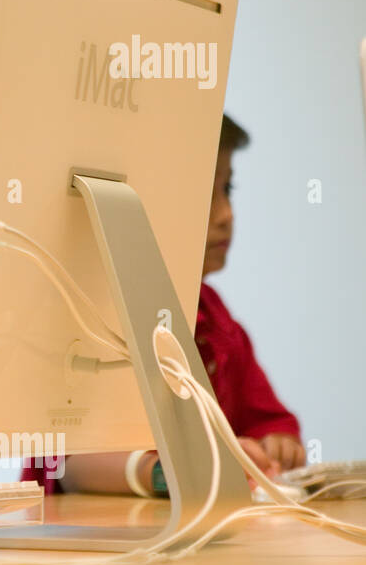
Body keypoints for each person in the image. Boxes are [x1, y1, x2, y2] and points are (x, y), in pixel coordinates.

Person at [21, 114, 305, 495]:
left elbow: (268, 422)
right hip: (92, 533)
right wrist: (170, 474)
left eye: (228, 188)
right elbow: (66, 465)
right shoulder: (91, 313)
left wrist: (275, 446)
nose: (226, 215)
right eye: (205, 193)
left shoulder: (213, 315)